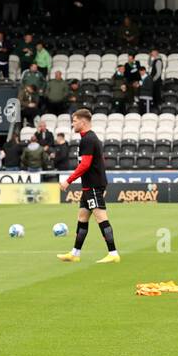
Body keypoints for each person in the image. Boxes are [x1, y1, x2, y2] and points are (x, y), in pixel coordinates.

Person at [57, 109, 120, 265]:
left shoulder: (88, 140)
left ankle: (113, 253)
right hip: (89, 187)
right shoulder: (87, 139)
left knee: (101, 217)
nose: (73, 124)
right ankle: (75, 253)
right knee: (82, 218)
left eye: (74, 120)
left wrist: (68, 180)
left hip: (93, 186)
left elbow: (85, 165)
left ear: (82, 122)